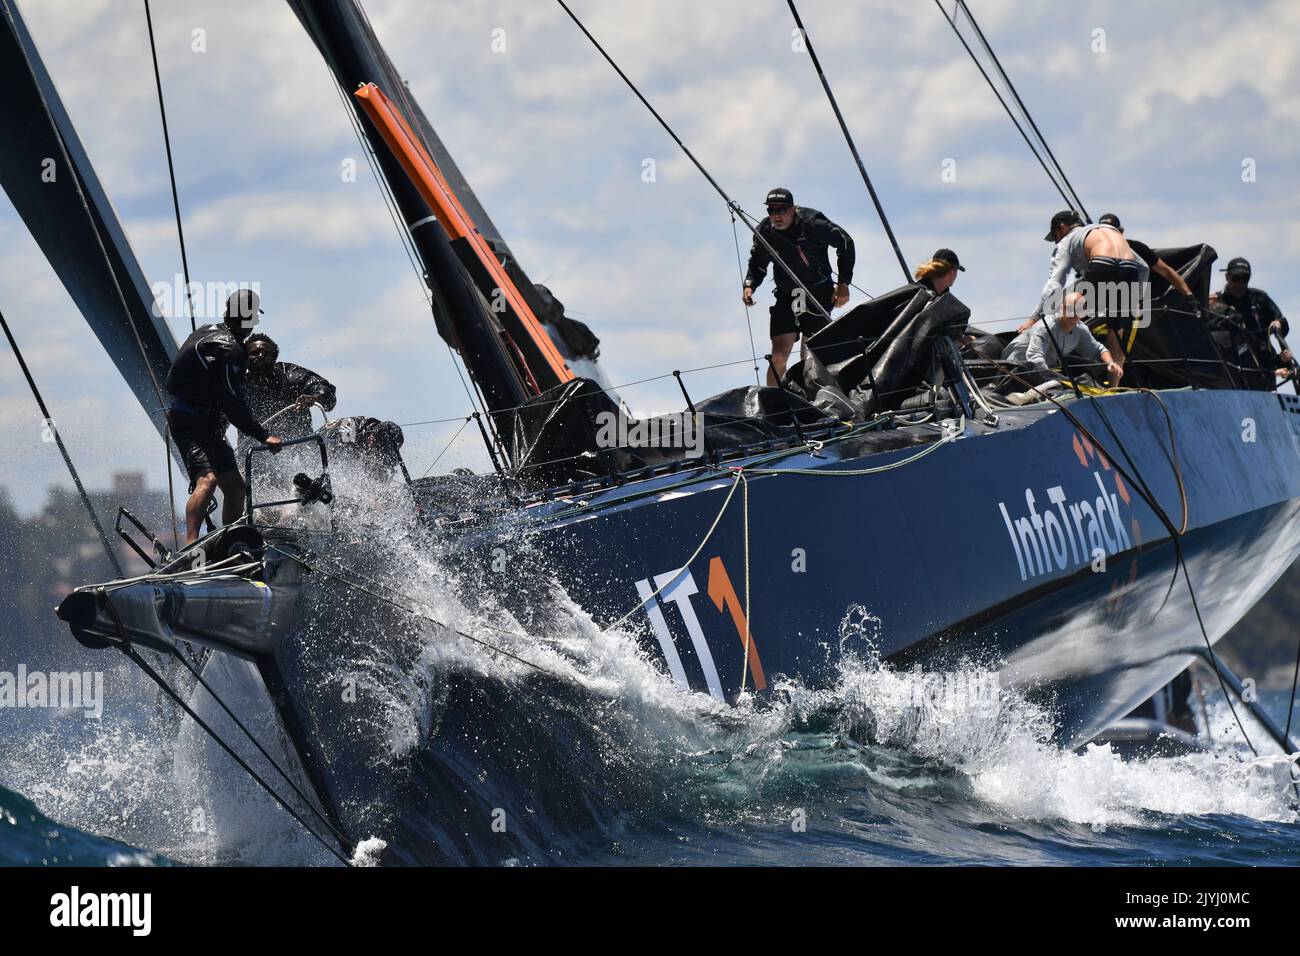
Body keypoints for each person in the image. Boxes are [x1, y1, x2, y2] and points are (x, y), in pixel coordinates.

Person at [165, 290, 283, 544]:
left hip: (207, 424)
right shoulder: (232, 350)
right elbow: (233, 403)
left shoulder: (208, 329)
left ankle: (230, 543)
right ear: (248, 319)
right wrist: (264, 435)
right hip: (190, 422)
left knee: (235, 487)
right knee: (206, 481)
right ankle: (191, 546)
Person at [742, 187, 855, 386]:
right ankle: (775, 407)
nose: (776, 216)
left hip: (818, 292)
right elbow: (758, 262)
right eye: (771, 210)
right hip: (787, 294)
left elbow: (845, 243)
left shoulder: (813, 223)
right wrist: (750, 285)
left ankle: (812, 401)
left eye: (782, 210)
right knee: (778, 355)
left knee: (809, 355)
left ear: (793, 209)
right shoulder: (766, 230)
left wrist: (843, 283)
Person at [1020, 210, 1149, 337]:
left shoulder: (1067, 240)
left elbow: (1054, 285)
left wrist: (1033, 319)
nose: (1056, 242)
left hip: (1102, 265)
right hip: (1129, 268)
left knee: (1066, 309)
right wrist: (1137, 299)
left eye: (1055, 236)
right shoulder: (1107, 231)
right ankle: (1114, 358)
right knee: (1116, 327)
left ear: (1063, 227)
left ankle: (1059, 348)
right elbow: (1143, 267)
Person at [1020, 291, 1123, 391]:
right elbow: (1035, 360)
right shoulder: (1046, 327)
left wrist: (1111, 363)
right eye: (1069, 308)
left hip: (1038, 373)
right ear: (1061, 308)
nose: (1073, 313)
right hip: (1016, 370)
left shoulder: (1080, 330)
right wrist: (1055, 384)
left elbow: (1099, 350)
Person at [242, 333, 337, 440]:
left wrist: (314, 398)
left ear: (274, 357)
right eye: (255, 353)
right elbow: (221, 414)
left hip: (299, 445)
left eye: (265, 353)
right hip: (252, 451)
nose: (260, 356)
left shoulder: (292, 376)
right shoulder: (236, 385)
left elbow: (328, 394)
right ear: (245, 358)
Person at [1213, 257, 1292, 379]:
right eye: (1236, 278)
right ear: (1227, 277)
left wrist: (1278, 324)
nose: (1240, 284)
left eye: (1245, 279)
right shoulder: (1215, 302)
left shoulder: (1260, 297)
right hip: (1233, 369)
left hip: (1264, 365)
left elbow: (1282, 322)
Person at [1096, 214, 1193, 299]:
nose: (1107, 236)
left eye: (1111, 232)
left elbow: (1167, 272)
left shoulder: (1136, 248)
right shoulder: (1090, 250)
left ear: (1121, 231)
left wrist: (1189, 295)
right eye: (1103, 232)